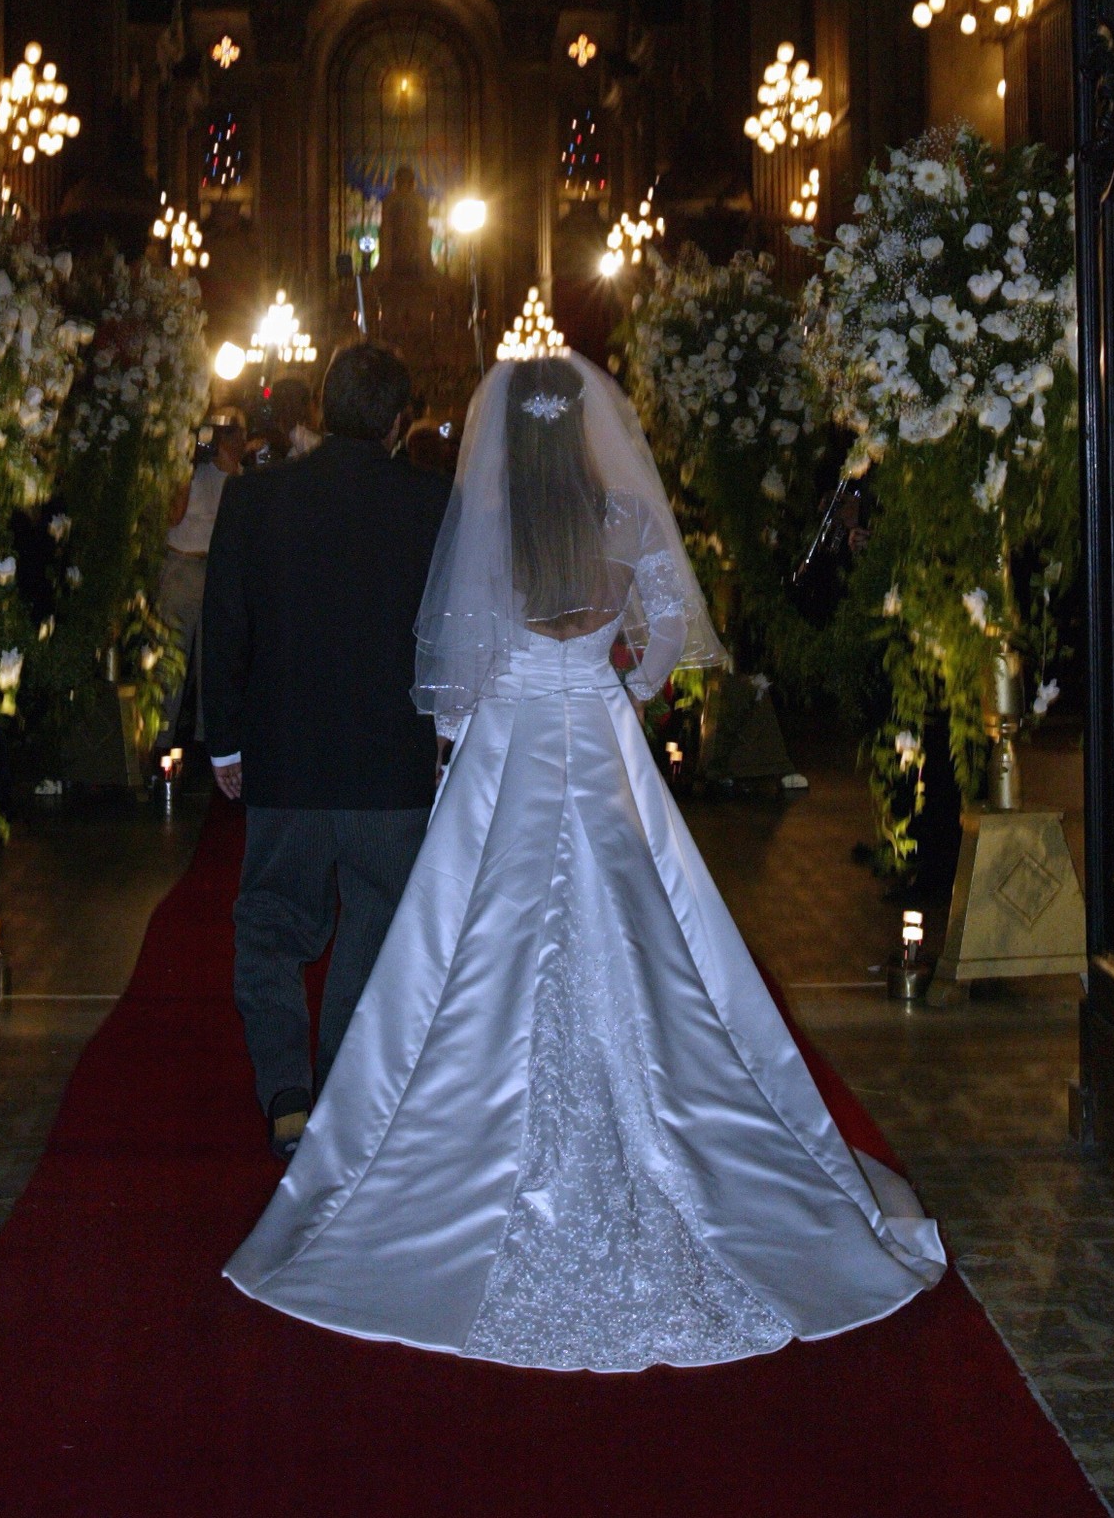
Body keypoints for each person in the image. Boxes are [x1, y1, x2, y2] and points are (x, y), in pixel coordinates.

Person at [225, 352, 945, 1370]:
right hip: (600, 751)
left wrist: (467, 747)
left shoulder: (486, 523)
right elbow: (668, 641)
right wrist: (619, 685)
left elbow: (457, 680)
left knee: (470, 960)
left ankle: (432, 1156)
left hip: (509, 750)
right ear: (584, 429)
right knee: (649, 948)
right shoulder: (625, 519)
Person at [201, 341, 450, 1161]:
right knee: (376, 926)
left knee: (272, 924)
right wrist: (448, 735)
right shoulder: (432, 502)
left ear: (323, 409)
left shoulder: (255, 497)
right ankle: (343, 1089)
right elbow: (451, 631)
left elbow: (225, 624)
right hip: (391, 761)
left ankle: (286, 1091)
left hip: (287, 754)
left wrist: (224, 741)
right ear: (399, 420)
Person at [152, 411, 246, 756]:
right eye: (224, 433)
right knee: (172, 658)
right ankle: (161, 738)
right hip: (183, 565)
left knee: (214, 661)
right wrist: (186, 465)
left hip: (216, 570)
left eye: (234, 432)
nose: (230, 440)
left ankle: (211, 743)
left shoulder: (239, 476)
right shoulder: (188, 469)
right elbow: (173, 515)